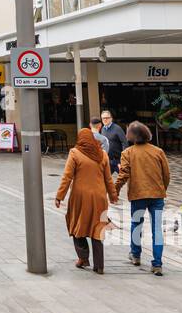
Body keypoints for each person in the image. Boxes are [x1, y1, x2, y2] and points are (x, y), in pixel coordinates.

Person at [54, 129, 118, 274]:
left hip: (80, 198)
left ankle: (83, 258)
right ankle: (99, 265)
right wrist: (113, 196)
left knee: (77, 225)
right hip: (99, 198)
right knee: (97, 230)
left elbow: (67, 176)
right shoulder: (103, 154)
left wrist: (59, 196)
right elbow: (108, 178)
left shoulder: (75, 153)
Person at [115, 121, 170, 276]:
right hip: (157, 195)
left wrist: (115, 189)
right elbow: (166, 175)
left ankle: (135, 254)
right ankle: (157, 263)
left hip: (138, 195)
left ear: (133, 135)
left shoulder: (128, 153)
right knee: (157, 229)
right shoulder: (158, 151)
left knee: (136, 225)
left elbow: (124, 174)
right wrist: (161, 189)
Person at [100, 110, 127, 174]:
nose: (105, 120)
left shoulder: (117, 129)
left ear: (111, 119)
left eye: (107, 118)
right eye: (103, 118)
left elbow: (125, 143)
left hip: (118, 160)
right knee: (105, 180)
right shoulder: (102, 129)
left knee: (125, 178)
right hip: (108, 160)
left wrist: (123, 160)